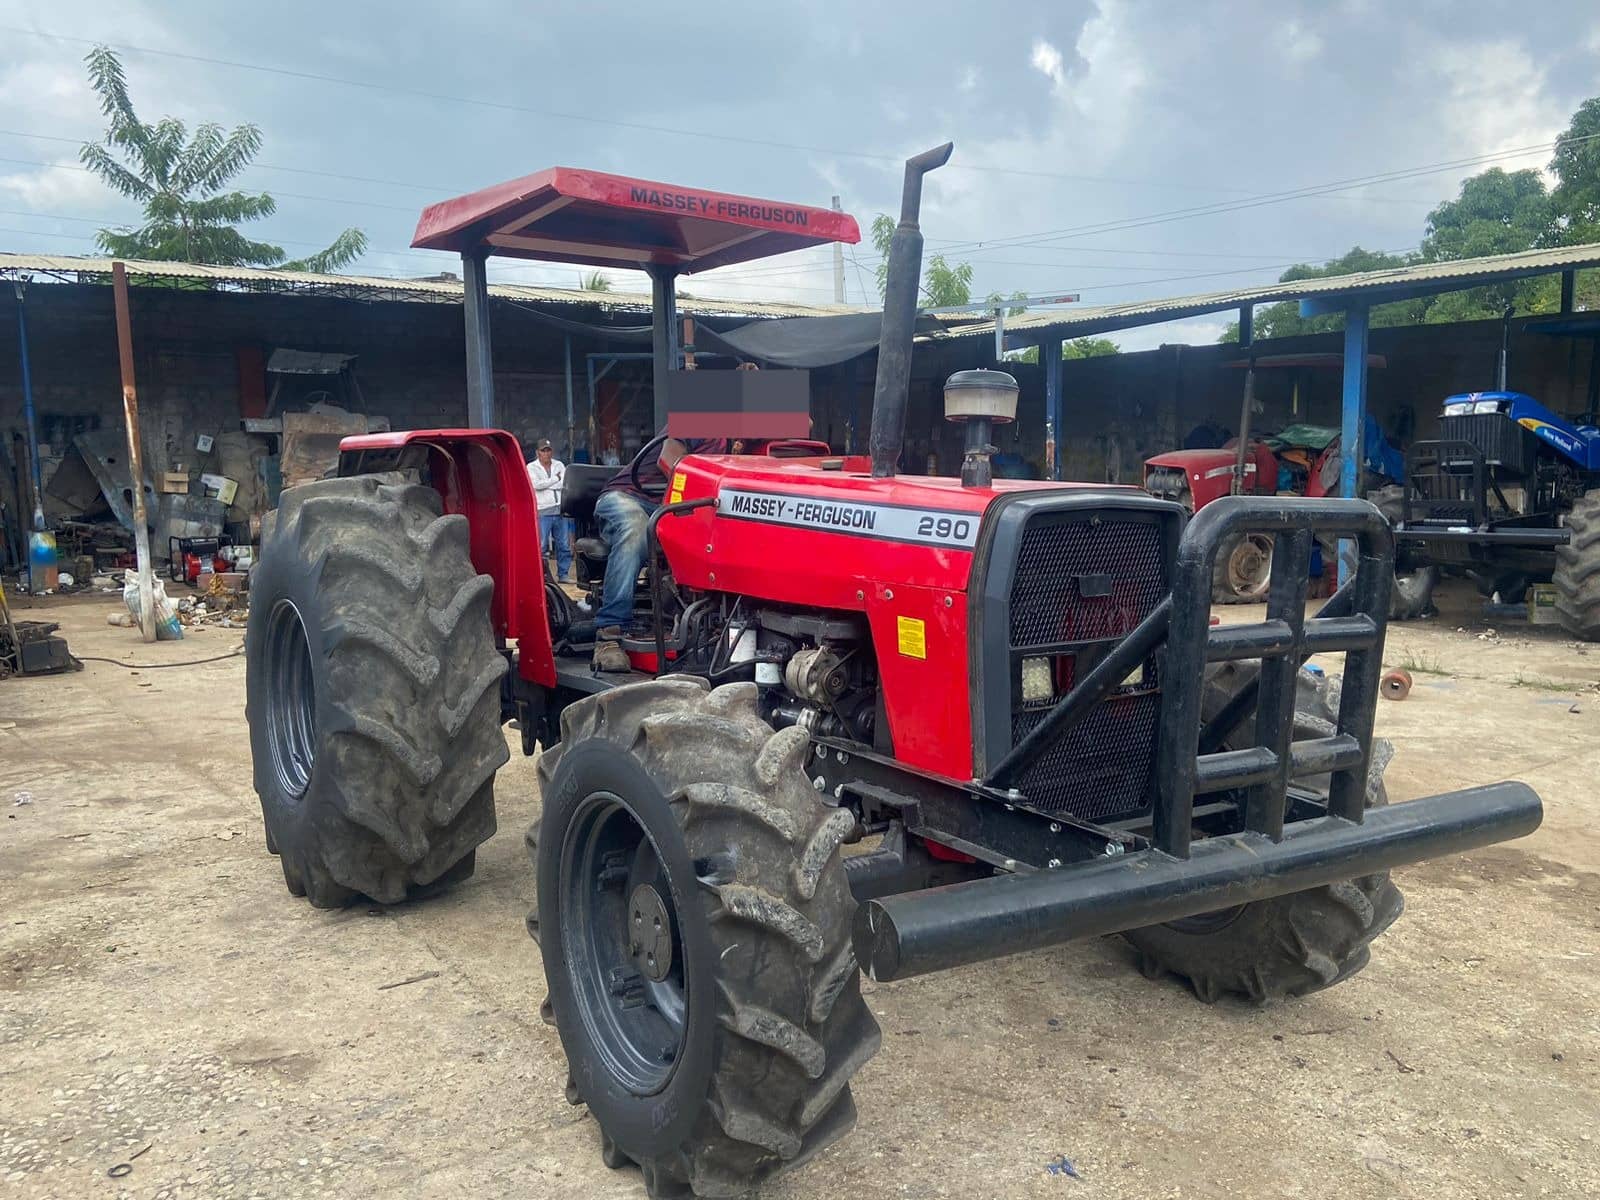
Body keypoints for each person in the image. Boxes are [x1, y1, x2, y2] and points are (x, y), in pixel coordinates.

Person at [573, 431, 726, 671]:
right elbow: (669, 459)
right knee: (637, 529)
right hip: (629, 497)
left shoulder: (749, 436)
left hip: (678, 504)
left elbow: (804, 423)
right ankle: (609, 634)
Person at [527, 438, 571, 581]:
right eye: (543, 450)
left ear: (551, 451)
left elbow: (564, 483)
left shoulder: (559, 465)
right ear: (537, 452)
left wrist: (548, 484)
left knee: (563, 544)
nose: (546, 453)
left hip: (560, 509)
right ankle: (541, 577)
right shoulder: (531, 467)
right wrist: (554, 480)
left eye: (548, 450)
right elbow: (536, 485)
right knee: (542, 545)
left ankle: (563, 574)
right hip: (543, 510)